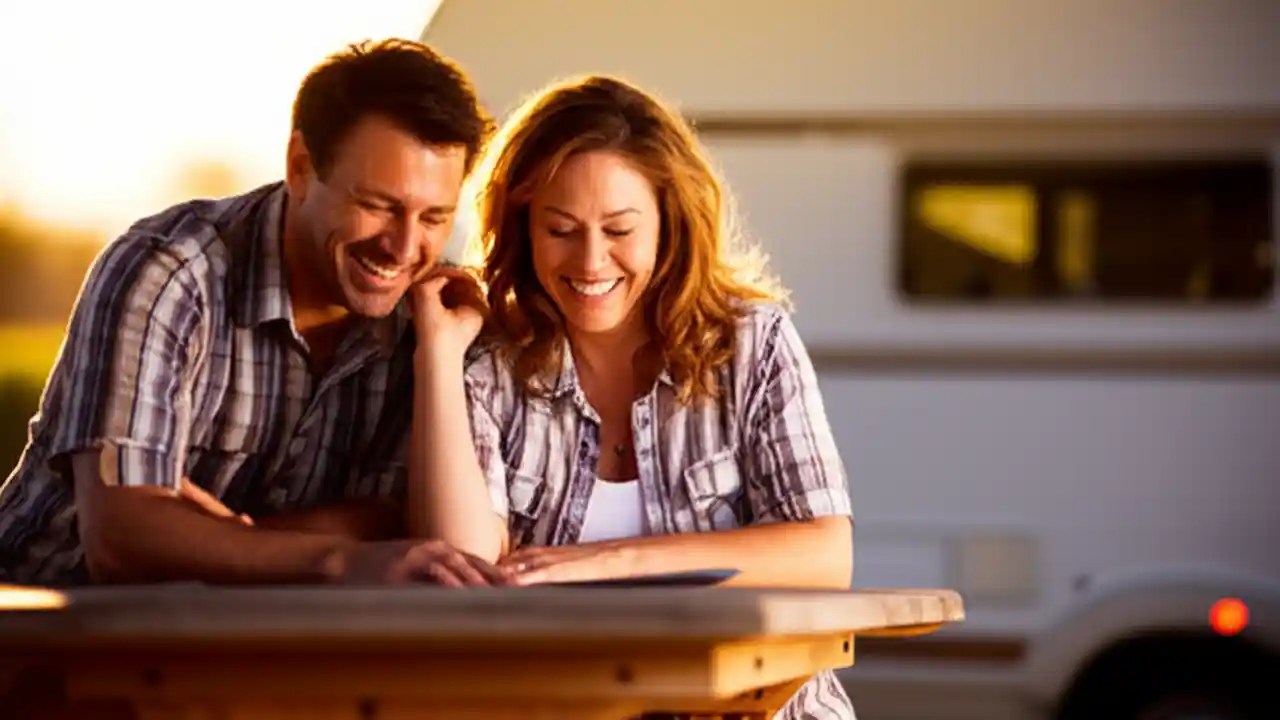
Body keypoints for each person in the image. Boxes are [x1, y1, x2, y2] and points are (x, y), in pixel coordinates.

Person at [408, 75, 856, 718]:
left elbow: (826, 555)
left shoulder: (752, 344)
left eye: (619, 229)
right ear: (524, 227)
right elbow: (467, 567)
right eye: (561, 229)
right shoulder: (490, 365)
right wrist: (437, 355)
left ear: (669, 224)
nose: (591, 262)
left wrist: (609, 563)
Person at [0, 39, 511, 588]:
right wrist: (338, 557)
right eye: (377, 205)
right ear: (300, 167)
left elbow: (409, 525)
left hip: (257, 634)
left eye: (434, 217)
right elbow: (120, 541)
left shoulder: (436, 318)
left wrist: (208, 534)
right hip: (51, 618)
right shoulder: (169, 271)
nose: (404, 247)